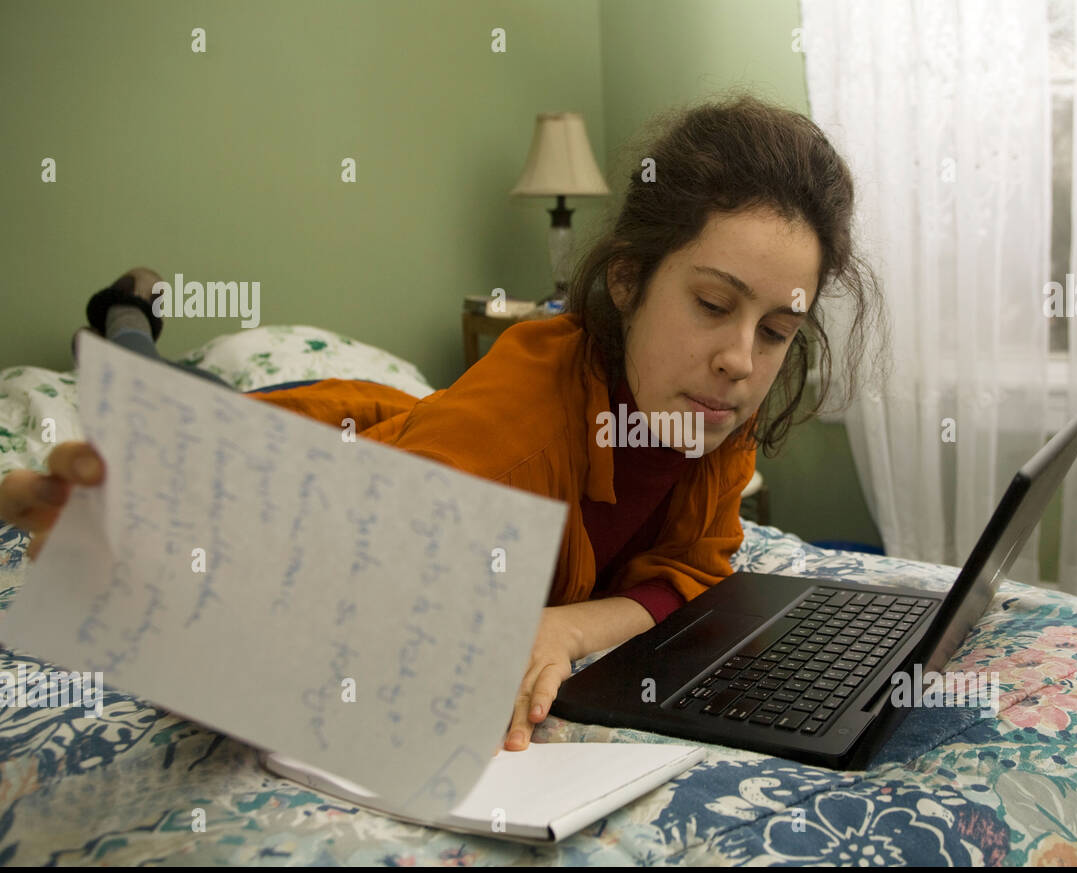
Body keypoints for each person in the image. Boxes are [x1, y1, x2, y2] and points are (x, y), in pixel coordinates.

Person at [0, 92, 887, 756]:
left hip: (402, 417)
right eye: (710, 304)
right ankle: (126, 316)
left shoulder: (714, 414)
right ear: (627, 281)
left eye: (776, 331)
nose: (741, 358)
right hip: (332, 449)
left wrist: (569, 628)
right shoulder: (508, 448)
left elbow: (698, 567)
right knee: (140, 404)